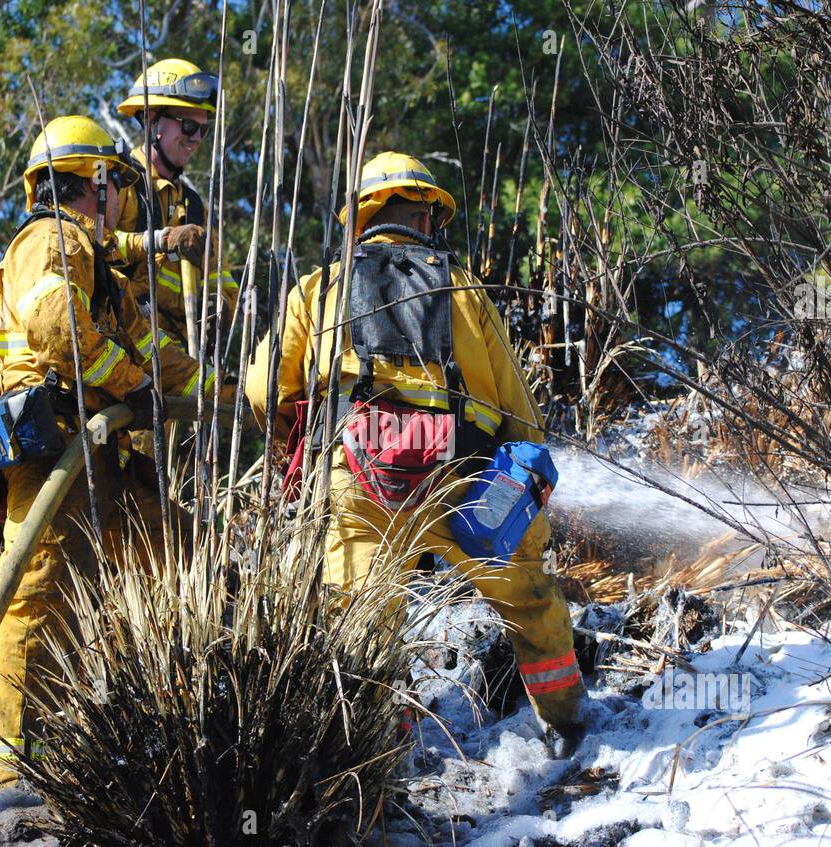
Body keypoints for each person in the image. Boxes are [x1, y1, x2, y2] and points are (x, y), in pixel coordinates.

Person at [245, 151, 587, 756]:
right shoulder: (464, 290)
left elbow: (261, 389)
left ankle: (377, 761)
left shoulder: (319, 288)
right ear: (427, 218)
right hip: (467, 476)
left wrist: (288, 445)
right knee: (529, 597)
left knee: (360, 623)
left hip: (359, 476)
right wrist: (524, 479)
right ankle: (566, 725)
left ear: (362, 218)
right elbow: (520, 410)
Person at [0, 115, 215, 793]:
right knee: (36, 594)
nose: (124, 195)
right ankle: (11, 769)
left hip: (98, 455)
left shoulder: (98, 263)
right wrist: (133, 385)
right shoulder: (51, 239)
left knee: (176, 551)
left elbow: (153, 351)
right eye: (116, 180)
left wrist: (230, 395)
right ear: (95, 181)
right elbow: (59, 330)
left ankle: (148, 724)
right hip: (55, 450)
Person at [112, 57, 239, 348]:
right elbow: (93, 248)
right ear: (151, 119)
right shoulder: (120, 183)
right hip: (128, 348)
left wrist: (218, 307)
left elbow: (223, 278)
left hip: (181, 356)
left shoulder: (193, 206)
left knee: (238, 394)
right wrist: (159, 240)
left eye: (203, 130)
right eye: (187, 126)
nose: (195, 139)